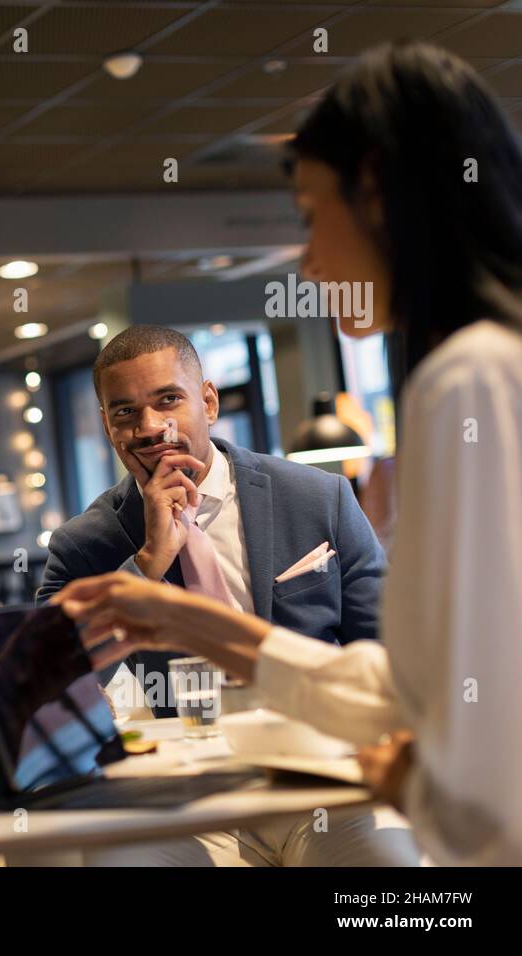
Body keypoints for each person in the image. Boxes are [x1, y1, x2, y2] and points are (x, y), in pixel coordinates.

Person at [56, 42, 522, 866]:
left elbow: (474, 745)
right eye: (124, 412)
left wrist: (415, 780)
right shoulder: (480, 367)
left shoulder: (470, 380)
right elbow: (422, 687)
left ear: (373, 189)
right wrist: (173, 610)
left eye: (311, 217)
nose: (308, 260)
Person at [36, 324, 414, 866]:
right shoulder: (82, 544)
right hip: (179, 798)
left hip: (316, 781)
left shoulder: (318, 498)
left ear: (208, 401)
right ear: (106, 425)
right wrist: (145, 565)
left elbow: (385, 650)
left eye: (168, 399)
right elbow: (40, 690)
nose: (150, 427)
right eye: (124, 412)